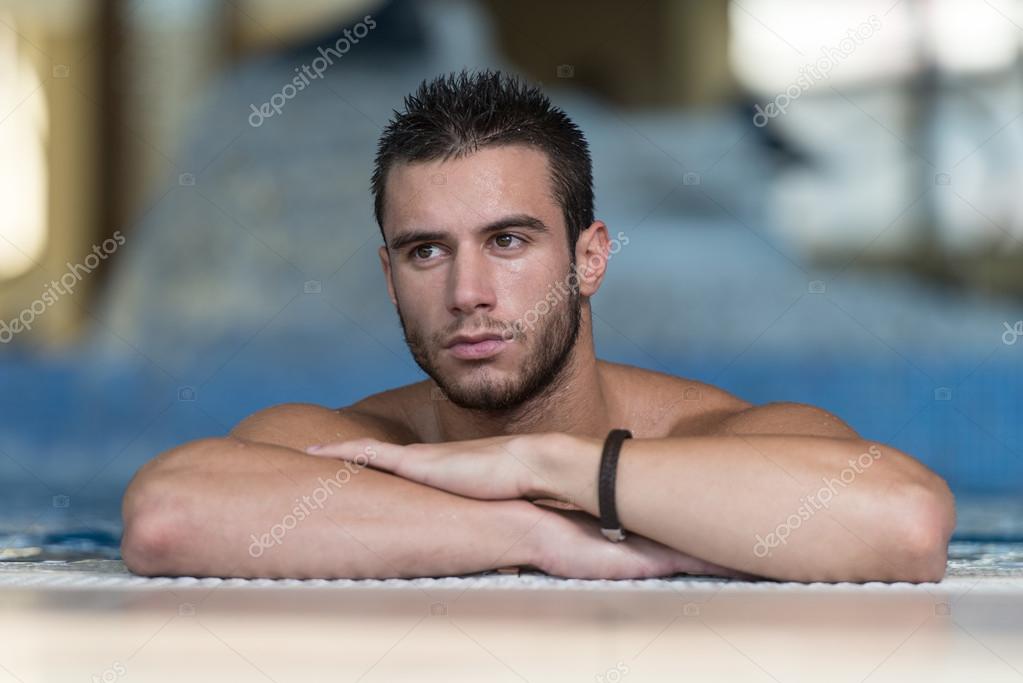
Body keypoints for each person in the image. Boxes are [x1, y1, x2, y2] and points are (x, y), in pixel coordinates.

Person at [121, 69, 955, 583]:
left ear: (589, 259)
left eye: (508, 241)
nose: (467, 292)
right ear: (388, 277)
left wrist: (543, 464)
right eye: (424, 252)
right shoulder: (347, 438)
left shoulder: (726, 435)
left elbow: (905, 525)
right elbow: (167, 516)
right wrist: (530, 529)